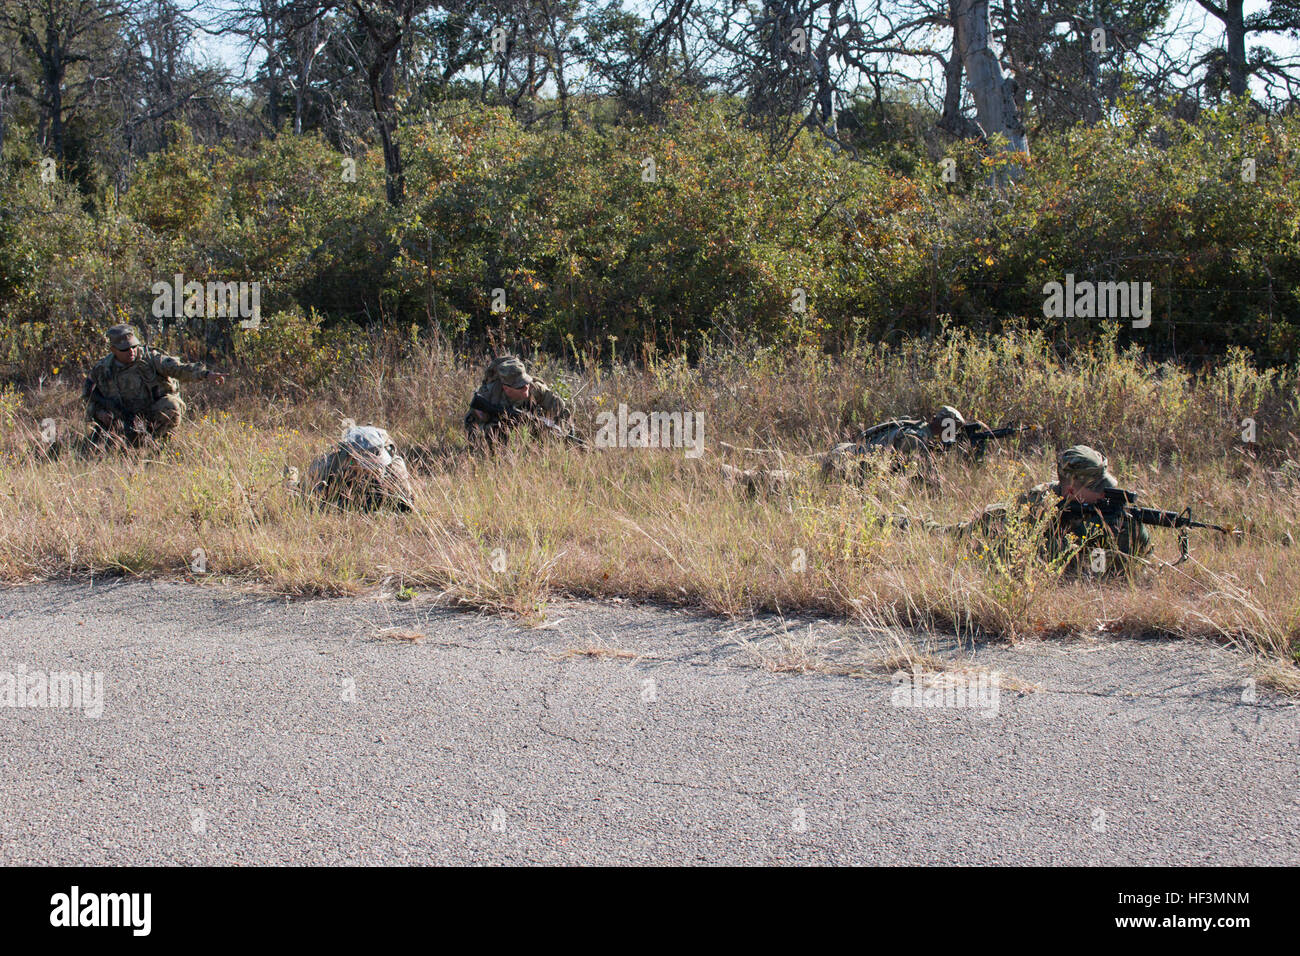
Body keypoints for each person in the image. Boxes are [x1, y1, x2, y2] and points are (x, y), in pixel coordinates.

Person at [939, 444, 1152, 574]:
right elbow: (1030, 559)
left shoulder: (1109, 511)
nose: (1105, 493)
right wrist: (1083, 533)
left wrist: (1133, 532)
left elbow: (1125, 563)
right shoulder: (1037, 504)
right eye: (1097, 488)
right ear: (1070, 490)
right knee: (948, 532)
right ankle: (908, 523)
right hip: (986, 524)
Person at [82, 324, 225, 446]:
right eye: (125, 349)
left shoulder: (151, 358)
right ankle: (115, 444)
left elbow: (179, 368)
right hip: (121, 417)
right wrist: (100, 413)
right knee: (96, 415)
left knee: (171, 406)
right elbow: (88, 395)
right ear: (113, 350)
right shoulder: (102, 369)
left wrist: (205, 374)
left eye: (133, 346)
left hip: (151, 413)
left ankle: (157, 442)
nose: (131, 351)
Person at [820, 404, 986, 480]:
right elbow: (931, 482)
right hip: (841, 462)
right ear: (944, 425)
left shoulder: (916, 428)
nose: (953, 434)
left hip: (842, 453)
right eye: (953, 429)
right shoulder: (915, 438)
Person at [464, 355, 571, 449]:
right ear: (506, 389)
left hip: (529, 424)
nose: (526, 387)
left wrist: (563, 430)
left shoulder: (534, 387)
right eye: (520, 386)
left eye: (526, 382)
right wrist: (502, 426)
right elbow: (472, 430)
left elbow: (559, 407)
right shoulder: (488, 396)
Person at [304, 424, 414, 511]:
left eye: (376, 465)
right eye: (366, 466)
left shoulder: (393, 466)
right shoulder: (328, 465)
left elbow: (407, 503)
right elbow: (309, 501)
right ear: (351, 459)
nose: (373, 470)